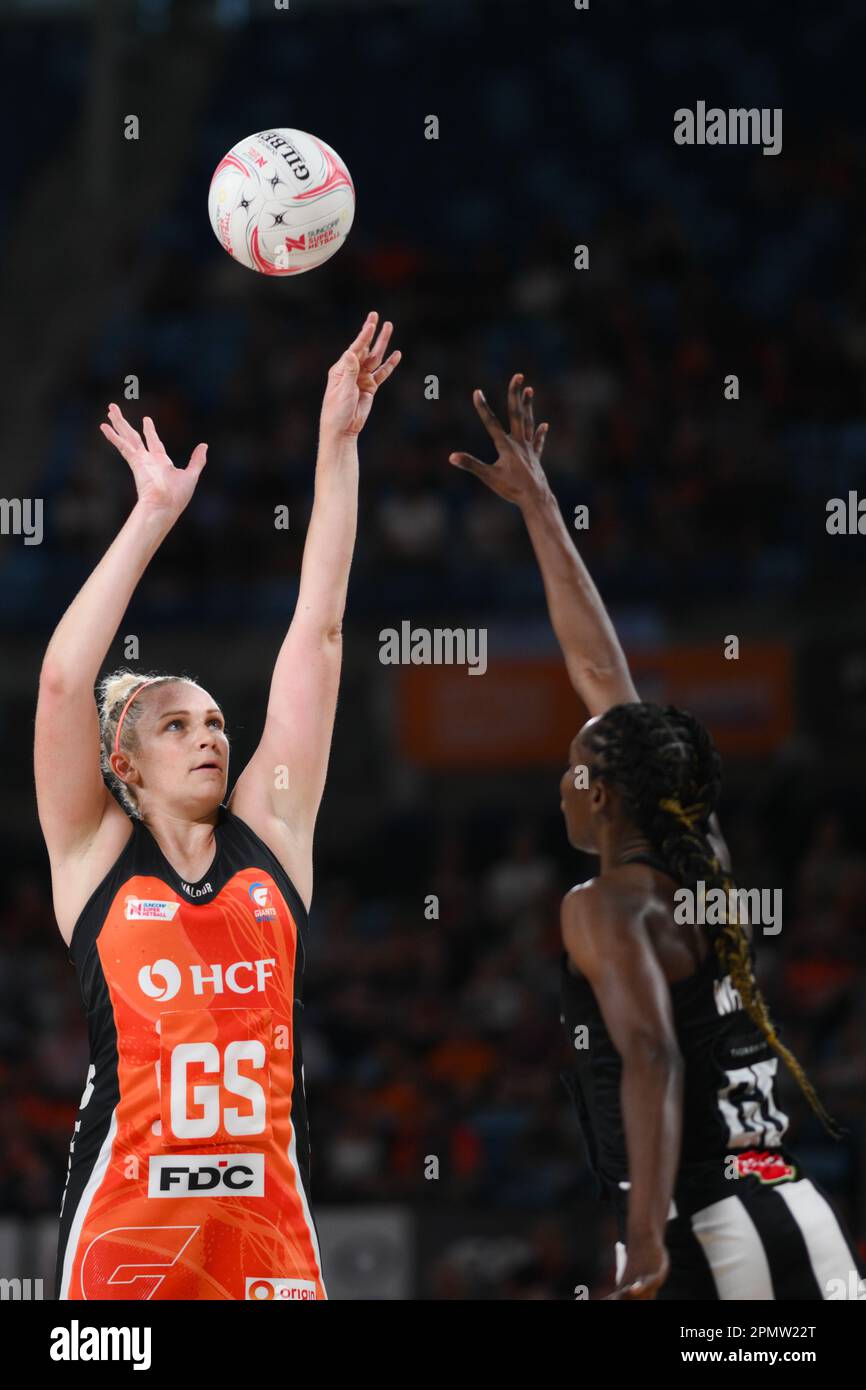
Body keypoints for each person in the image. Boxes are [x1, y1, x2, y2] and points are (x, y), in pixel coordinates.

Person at [449, 374, 865, 1301]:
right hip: (797, 1213)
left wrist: (644, 1235)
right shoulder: (698, 856)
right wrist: (543, 510)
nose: (560, 782)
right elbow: (604, 673)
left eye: (573, 768)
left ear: (603, 796)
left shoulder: (603, 907)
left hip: (708, 1232)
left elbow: (650, 1055)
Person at [35, 312, 400, 1300]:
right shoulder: (93, 858)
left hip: (268, 1236)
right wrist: (150, 517)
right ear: (127, 763)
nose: (208, 736)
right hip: (127, 1232)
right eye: (176, 725)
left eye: (215, 722)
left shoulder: (270, 836)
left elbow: (316, 634)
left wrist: (335, 444)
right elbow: (66, 684)